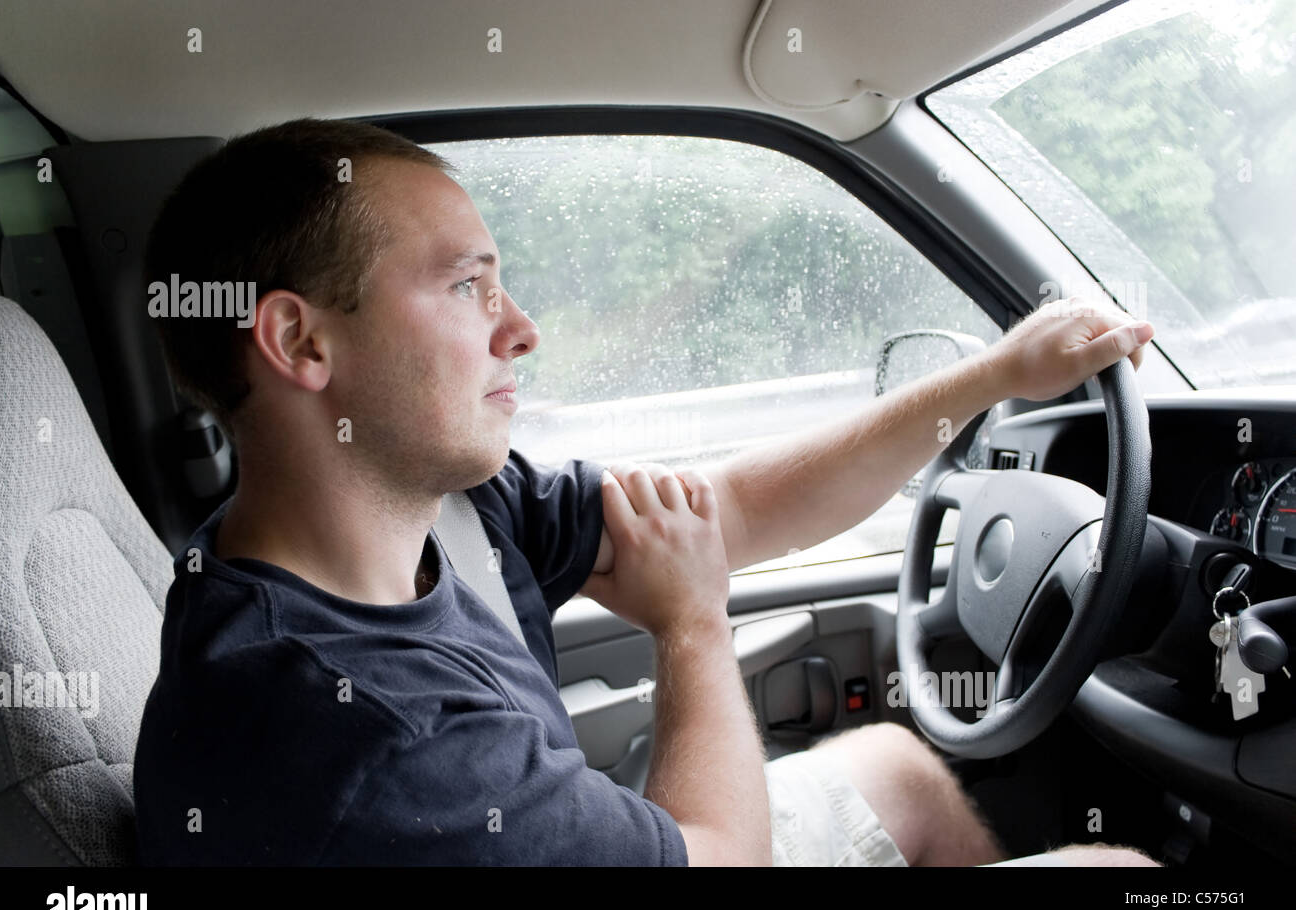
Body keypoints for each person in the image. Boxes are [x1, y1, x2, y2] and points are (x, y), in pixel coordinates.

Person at [133, 117, 1159, 867]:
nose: (521, 325)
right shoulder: (369, 740)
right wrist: (690, 621)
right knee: (1118, 879)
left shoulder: (434, 503)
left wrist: (991, 379)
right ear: (300, 341)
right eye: (466, 286)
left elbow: (728, 510)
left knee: (893, 763)